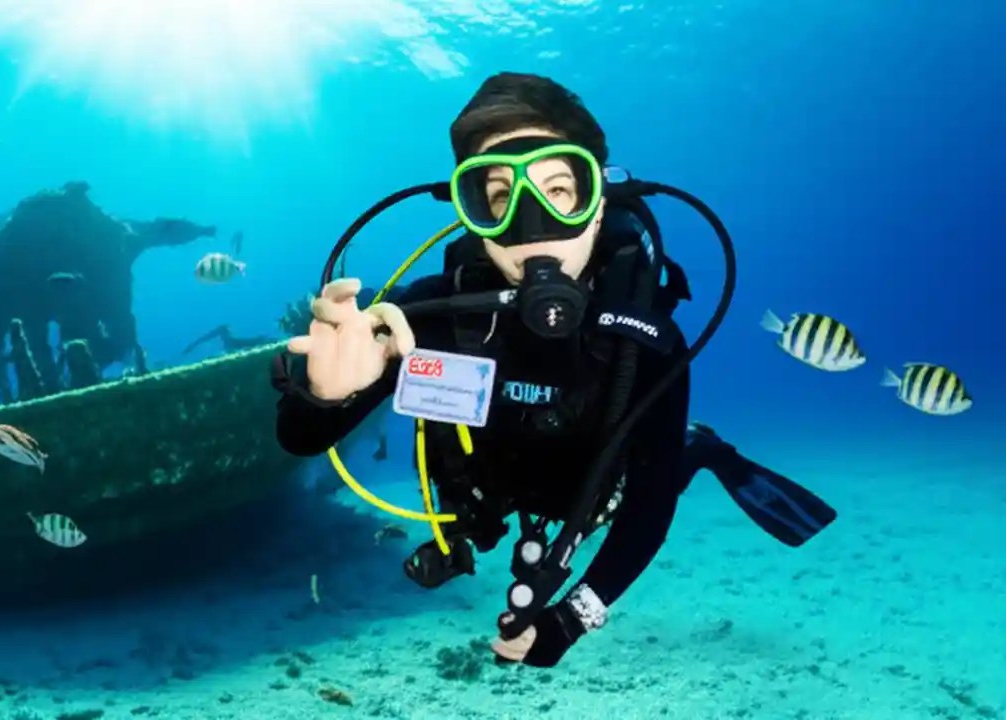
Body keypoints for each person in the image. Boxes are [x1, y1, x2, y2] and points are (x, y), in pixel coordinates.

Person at [271, 72, 836, 668]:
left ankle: (696, 448)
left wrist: (572, 619)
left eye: (559, 190)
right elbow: (299, 438)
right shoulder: (426, 319)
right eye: (498, 199)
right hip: (489, 492)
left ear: (597, 205)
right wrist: (325, 394)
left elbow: (647, 512)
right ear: (472, 218)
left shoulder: (645, 341)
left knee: (665, 464)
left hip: (596, 493)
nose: (531, 225)